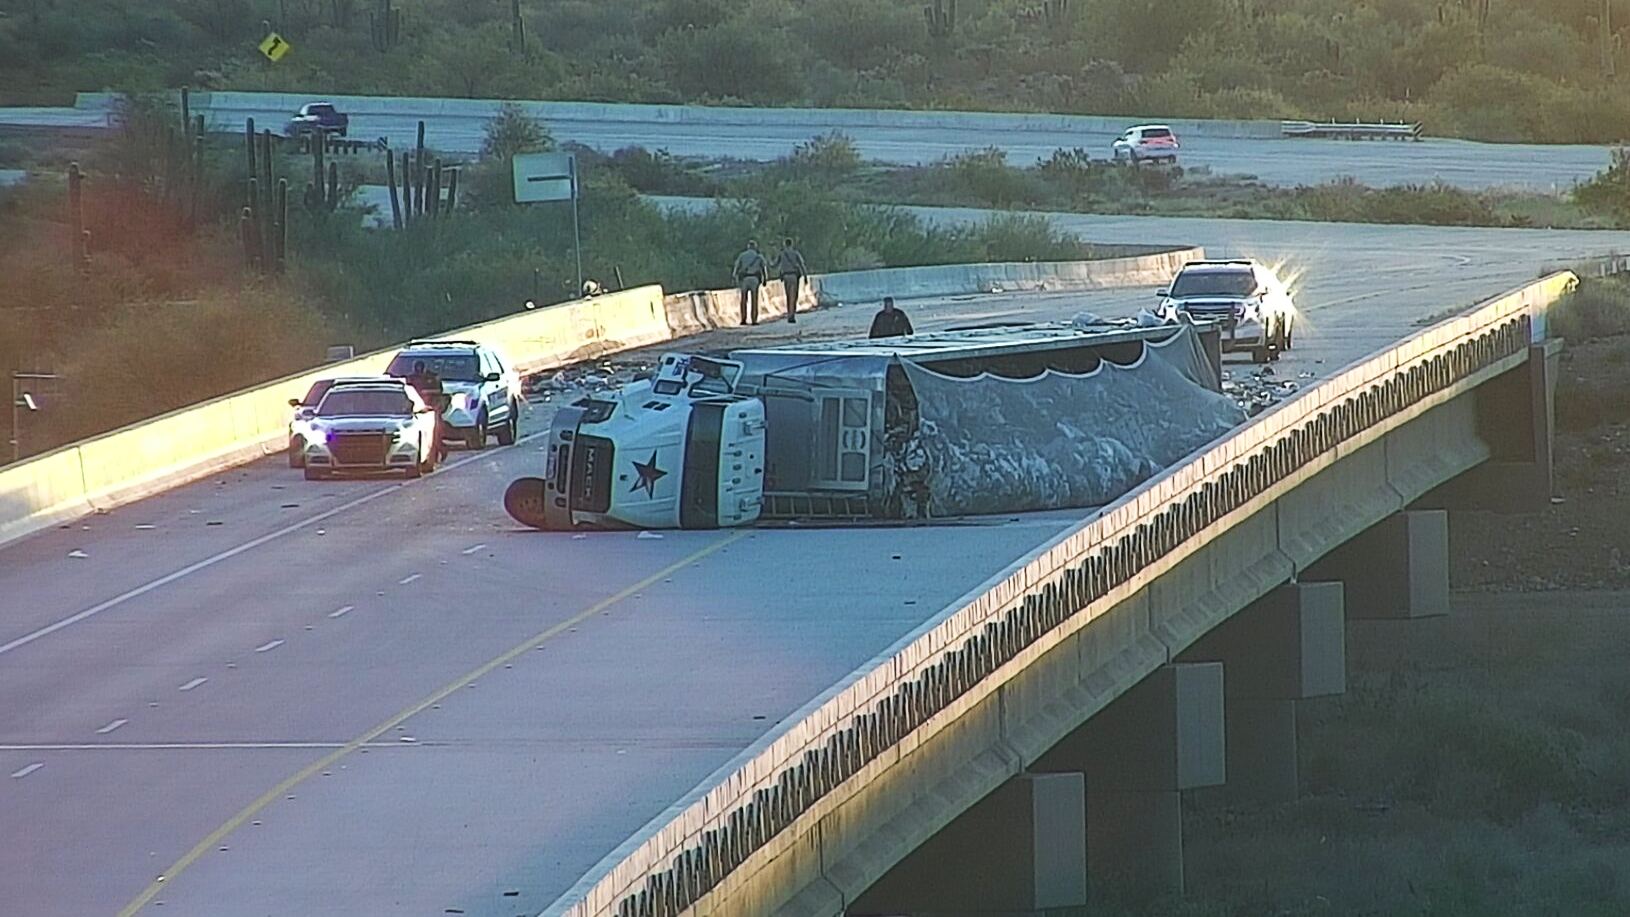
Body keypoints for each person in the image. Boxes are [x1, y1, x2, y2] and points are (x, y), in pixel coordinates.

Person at [404, 360, 449, 461]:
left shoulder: (432, 378)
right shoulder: (411, 378)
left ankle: (441, 450)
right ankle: (438, 451)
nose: (419, 371)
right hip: (416, 408)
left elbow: (440, 391)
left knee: (435, 433)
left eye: (421, 369)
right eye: (417, 369)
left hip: (432, 408)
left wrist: (428, 393)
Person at [772, 237, 808, 324]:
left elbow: (775, 265)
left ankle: (789, 313)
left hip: (785, 276)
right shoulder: (796, 253)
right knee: (794, 295)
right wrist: (805, 276)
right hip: (794, 276)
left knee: (788, 295)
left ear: (785, 244)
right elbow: (802, 265)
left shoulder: (782, 254)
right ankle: (792, 314)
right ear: (792, 244)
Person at [732, 240, 768, 326]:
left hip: (745, 279)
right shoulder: (759, 257)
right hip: (755, 279)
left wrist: (735, 277)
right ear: (755, 247)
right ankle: (754, 320)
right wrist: (765, 279)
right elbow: (763, 269)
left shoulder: (742, 255)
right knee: (754, 300)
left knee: (743, 300)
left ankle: (743, 319)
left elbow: (736, 267)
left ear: (748, 246)